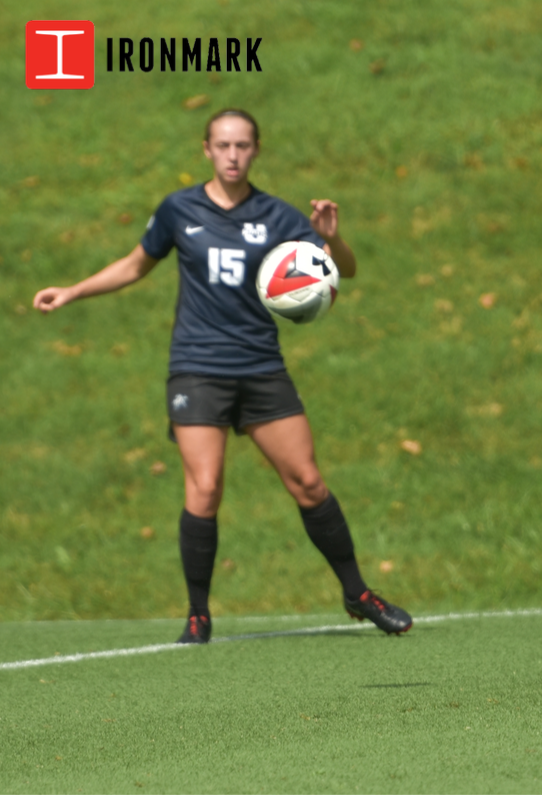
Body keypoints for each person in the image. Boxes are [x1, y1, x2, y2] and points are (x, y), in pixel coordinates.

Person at [32, 109, 412, 644]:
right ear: (206, 149)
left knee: (308, 482)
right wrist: (72, 290)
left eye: (243, 145)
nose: (233, 155)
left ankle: (358, 593)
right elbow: (135, 264)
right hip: (197, 369)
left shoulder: (278, 217)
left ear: (257, 150)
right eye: (223, 145)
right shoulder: (178, 209)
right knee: (204, 488)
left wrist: (333, 237)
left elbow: (341, 269)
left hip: (260, 367)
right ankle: (197, 614)